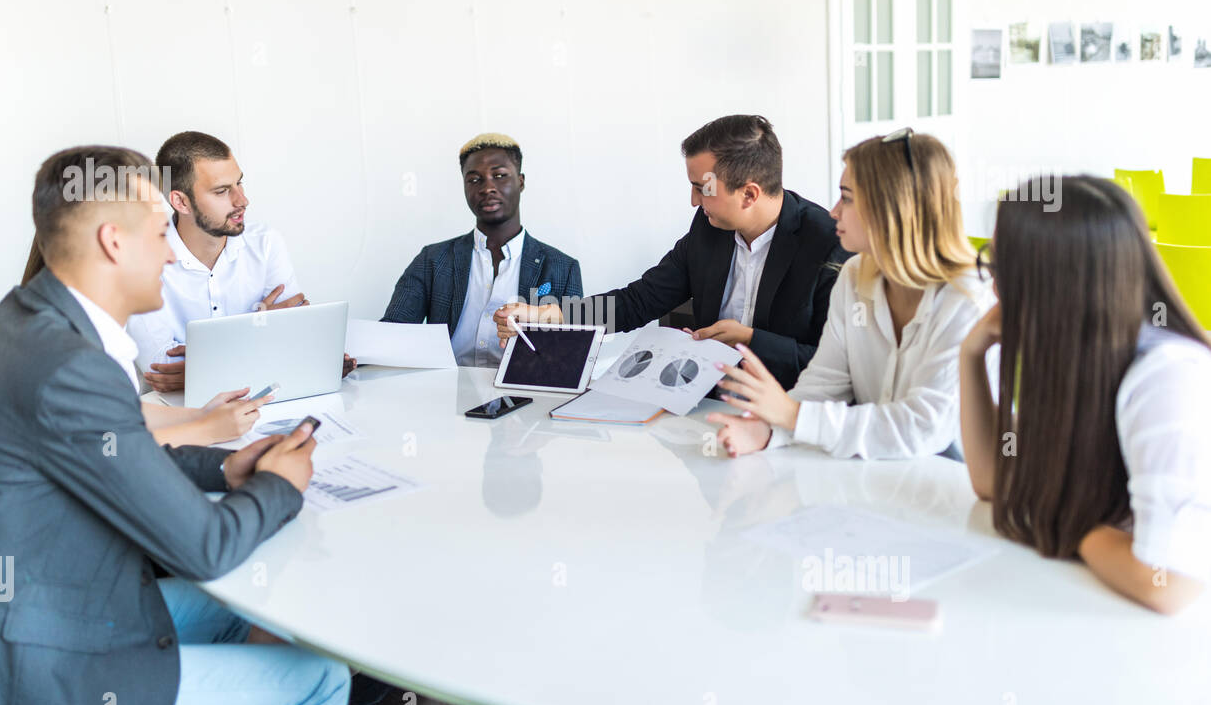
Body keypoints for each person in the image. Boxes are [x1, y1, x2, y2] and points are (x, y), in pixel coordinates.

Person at [0, 145, 350, 705]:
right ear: (115, 243)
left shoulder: (30, 321)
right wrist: (281, 484)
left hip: (42, 611)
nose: (172, 253)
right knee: (320, 682)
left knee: (248, 610)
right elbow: (205, 546)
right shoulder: (69, 364)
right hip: (25, 668)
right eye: (161, 234)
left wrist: (225, 466)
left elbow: (113, 454)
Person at [959, 175, 1211, 615]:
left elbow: (1167, 583)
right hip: (1110, 605)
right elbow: (992, 482)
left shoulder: (1166, 379)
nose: (992, 287)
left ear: (1051, 283)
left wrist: (1068, 521)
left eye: (1000, 268)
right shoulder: (1076, 357)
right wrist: (970, 357)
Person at [494, 114, 847, 386]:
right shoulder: (709, 229)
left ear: (749, 194)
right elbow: (637, 301)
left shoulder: (829, 244)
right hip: (703, 400)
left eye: (702, 189)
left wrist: (753, 341)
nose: (694, 201)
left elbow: (836, 366)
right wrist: (551, 317)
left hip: (788, 410)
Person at [708, 129, 992, 459]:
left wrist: (792, 416)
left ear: (892, 208)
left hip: (958, 486)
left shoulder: (967, 298)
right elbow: (825, 385)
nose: (833, 213)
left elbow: (922, 426)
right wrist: (768, 428)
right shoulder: (854, 277)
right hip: (884, 479)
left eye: (847, 197)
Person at [126, 131, 355, 392]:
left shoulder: (265, 243)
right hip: (176, 415)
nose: (242, 200)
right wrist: (261, 329)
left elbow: (297, 339)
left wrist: (208, 363)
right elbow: (163, 370)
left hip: (265, 398)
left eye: (239, 184)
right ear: (181, 202)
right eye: (222, 191)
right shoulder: (139, 260)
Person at [23, 237, 272, 446]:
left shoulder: (80, 324)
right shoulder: (68, 353)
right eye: (158, 238)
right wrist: (206, 430)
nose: (171, 257)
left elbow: (115, 413)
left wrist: (199, 416)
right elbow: (108, 451)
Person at [382, 132, 583, 367]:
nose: (487, 187)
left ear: (520, 181)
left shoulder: (562, 267)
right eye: (475, 179)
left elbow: (572, 353)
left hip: (526, 394)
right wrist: (350, 358)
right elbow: (393, 333)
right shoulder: (433, 260)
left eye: (499, 176)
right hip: (445, 393)